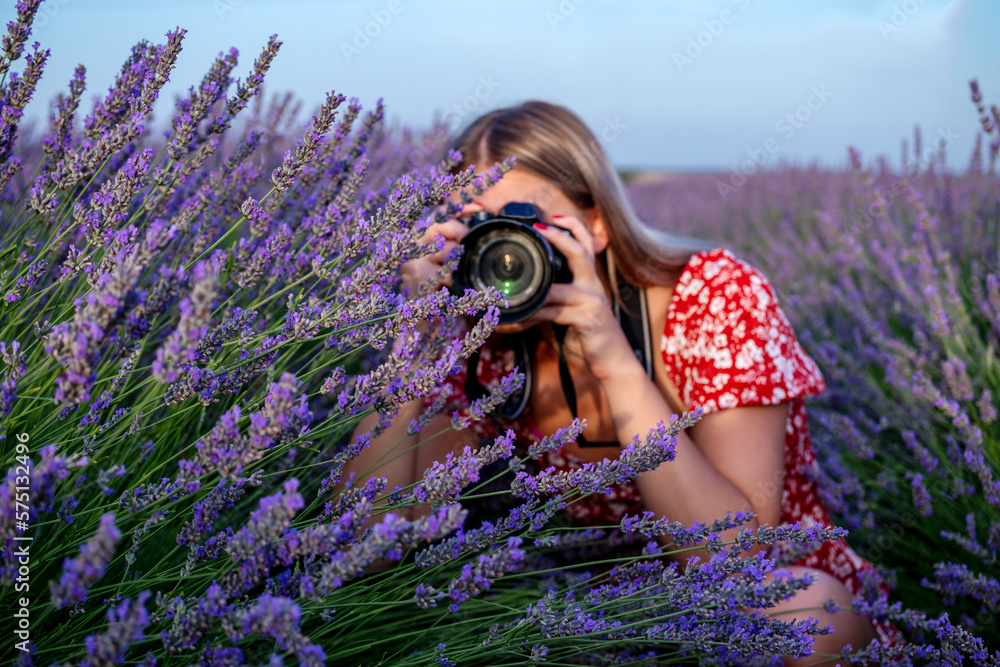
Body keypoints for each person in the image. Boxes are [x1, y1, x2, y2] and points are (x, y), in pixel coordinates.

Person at [343, 101, 891, 665]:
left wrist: (613, 358)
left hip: (765, 592)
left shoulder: (715, 298)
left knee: (809, 617)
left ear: (598, 224)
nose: (502, 253)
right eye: (476, 228)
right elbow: (362, 552)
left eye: (524, 222)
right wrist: (413, 347)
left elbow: (739, 560)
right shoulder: (478, 341)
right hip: (608, 615)